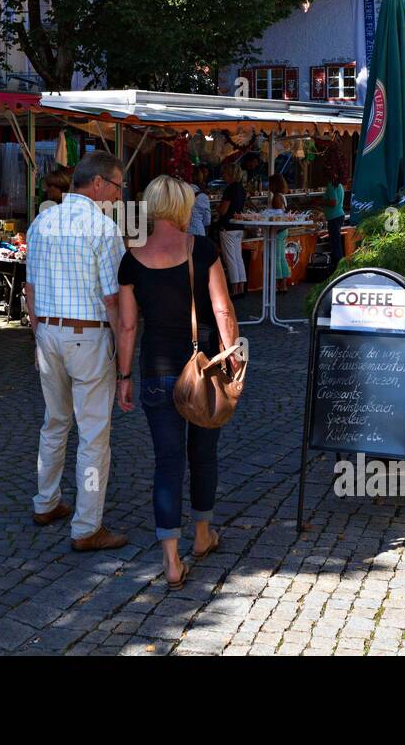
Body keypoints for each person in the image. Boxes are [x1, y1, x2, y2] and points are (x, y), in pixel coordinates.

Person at [116, 175, 240, 588]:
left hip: (155, 371)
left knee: (168, 462)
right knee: (203, 455)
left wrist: (123, 376)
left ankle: (171, 560)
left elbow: (129, 327)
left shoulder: (131, 259)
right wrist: (234, 356)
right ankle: (203, 535)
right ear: (184, 207)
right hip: (201, 371)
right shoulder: (200, 249)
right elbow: (222, 310)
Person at [25, 150, 127, 551]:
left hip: (48, 332)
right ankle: (86, 527)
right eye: (117, 187)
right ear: (98, 183)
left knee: (54, 422)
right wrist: (124, 361)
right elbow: (113, 301)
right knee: (93, 435)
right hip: (87, 335)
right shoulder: (102, 229)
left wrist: (40, 332)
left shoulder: (42, 221)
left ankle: (45, 501)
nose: (119, 196)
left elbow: (29, 292)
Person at [214, 162, 247, 297]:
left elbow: (223, 210)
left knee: (230, 259)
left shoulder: (230, 189)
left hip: (228, 226)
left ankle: (234, 288)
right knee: (238, 258)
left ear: (230, 174)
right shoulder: (241, 189)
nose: (223, 176)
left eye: (224, 173)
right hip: (238, 226)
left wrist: (217, 208)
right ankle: (241, 286)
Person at [269, 173, 291, 293]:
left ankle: (279, 285)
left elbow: (276, 216)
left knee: (276, 258)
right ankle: (283, 284)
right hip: (284, 230)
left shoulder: (276, 197)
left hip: (278, 230)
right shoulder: (282, 196)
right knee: (282, 257)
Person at [187, 168, 211, 238]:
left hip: (182, 233)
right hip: (197, 232)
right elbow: (207, 221)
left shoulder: (179, 193)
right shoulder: (203, 196)